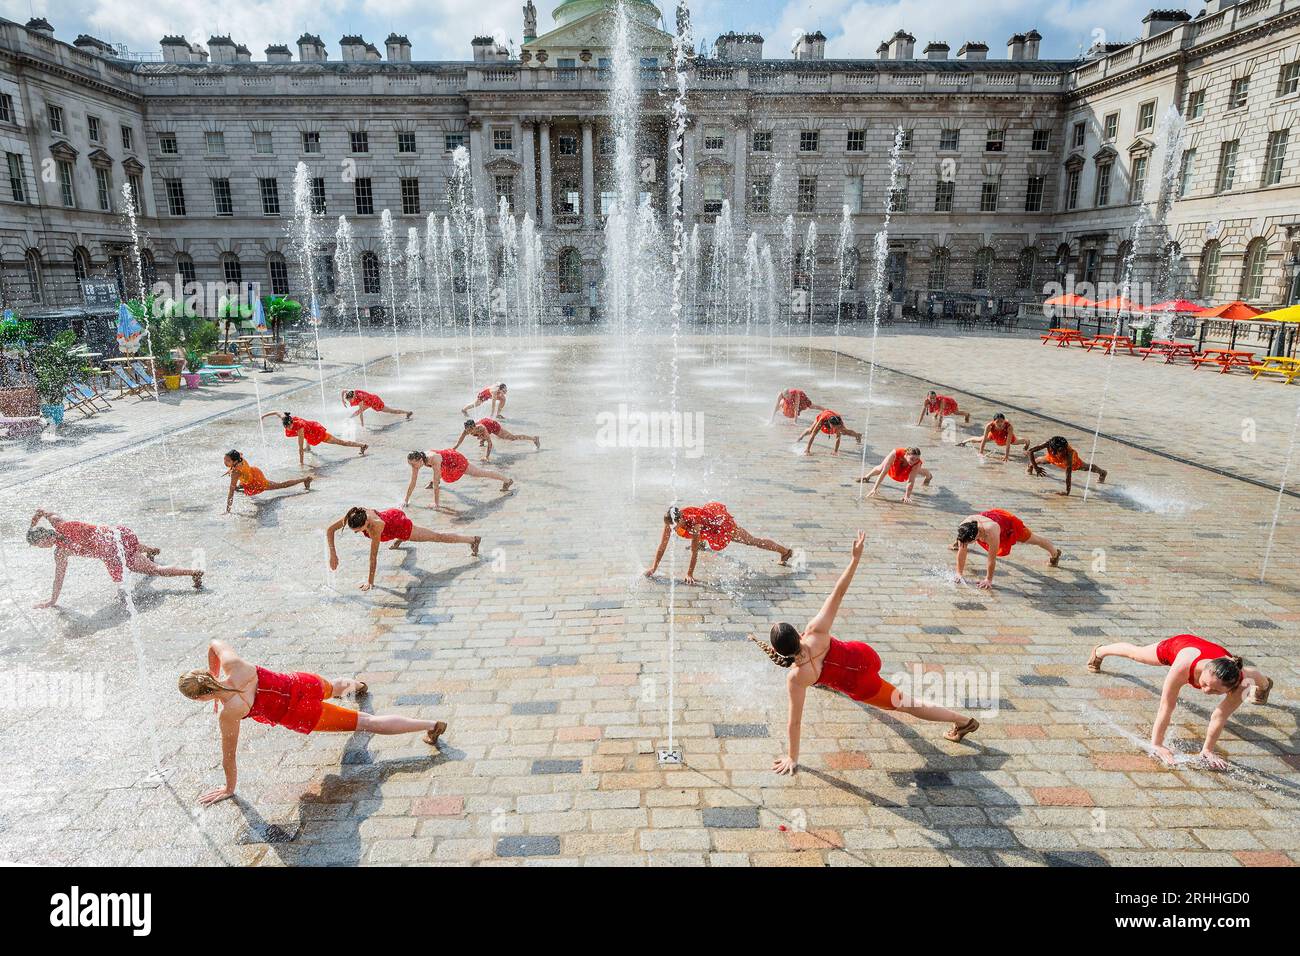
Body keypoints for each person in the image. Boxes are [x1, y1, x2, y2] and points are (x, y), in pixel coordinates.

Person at [751, 531, 979, 775]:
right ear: (798, 634)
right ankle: (824, 681)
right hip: (865, 656)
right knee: (831, 672)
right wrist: (855, 559)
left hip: (862, 685)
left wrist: (792, 757)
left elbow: (794, 722)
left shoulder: (797, 678)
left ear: (779, 651)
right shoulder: (815, 631)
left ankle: (963, 721)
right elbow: (838, 593)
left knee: (908, 705)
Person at [178, 639, 448, 805]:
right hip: (301, 682)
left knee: (368, 723)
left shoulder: (231, 712)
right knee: (335, 686)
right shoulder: (235, 664)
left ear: (201, 698)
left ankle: (430, 724)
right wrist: (214, 675)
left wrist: (228, 788)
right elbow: (214, 643)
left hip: (302, 713)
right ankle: (360, 685)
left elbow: (229, 756)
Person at [1087, 634, 1274, 769]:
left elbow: (1219, 716)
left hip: (1235, 672)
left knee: (1255, 678)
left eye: (1215, 690)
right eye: (1205, 683)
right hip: (1179, 646)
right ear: (1205, 670)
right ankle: (1100, 651)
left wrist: (1207, 750)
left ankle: (1266, 686)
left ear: (1230, 687)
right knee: (1137, 654)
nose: (1205, 690)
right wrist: (1157, 744)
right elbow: (1166, 707)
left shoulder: (1241, 682)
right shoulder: (1182, 667)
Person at [27, 508, 203, 607]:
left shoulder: (61, 542)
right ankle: (151, 551)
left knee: (151, 570)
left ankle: (192, 572)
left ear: (43, 537)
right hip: (116, 535)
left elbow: (59, 577)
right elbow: (42, 511)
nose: (41, 547)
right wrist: (34, 523)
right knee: (130, 549)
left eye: (39, 544)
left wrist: (52, 600)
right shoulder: (59, 536)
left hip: (112, 550)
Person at [325, 506, 480, 591]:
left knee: (436, 537)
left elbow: (373, 557)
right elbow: (329, 530)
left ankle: (472, 539)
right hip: (390, 517)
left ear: (366, 523)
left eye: (359, 530)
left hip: (400, 526)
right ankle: (399, 541)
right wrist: (333, 554)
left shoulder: (375, 527)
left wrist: (370, 582)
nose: (357, 533)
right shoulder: (352, 515)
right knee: (403, 558)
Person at [644, 502, 793, 585]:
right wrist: (654, 567)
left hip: (720, 526)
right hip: (706, 526)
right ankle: (704, 542)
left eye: (674, 526)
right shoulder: (670, 520)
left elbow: (693, 552)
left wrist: (689, 573)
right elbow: (662, 546)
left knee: (751, 541)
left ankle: (784, 551)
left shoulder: (694, 523)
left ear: (681, 519)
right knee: (701, 538)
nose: (672, 529)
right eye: (671, 526)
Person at [952, 509, 1061, 589]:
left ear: (977, 535)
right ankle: (957, 543)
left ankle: (1055, 554)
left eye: (969, 542)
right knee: (961, 544)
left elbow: (991, 559)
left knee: (1034, 540)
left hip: (1008, 525)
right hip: (988, 520)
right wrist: (959, 573)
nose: (966, 544)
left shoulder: (991, 531)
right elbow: (962, 550)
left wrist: (988, 580)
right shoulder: (964, 527)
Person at [404, 449, 513, 511]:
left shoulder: (433, 458)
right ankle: (432, 482)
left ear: (419, 460)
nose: (412, 467)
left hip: (455, 461)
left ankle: (507, 480)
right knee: (438, 476)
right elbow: (413, 482)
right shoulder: (417, 464)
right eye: (410, 464)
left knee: (479, 473)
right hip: (445, 463)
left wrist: (436, 503)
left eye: (413, 464)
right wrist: (406, 500)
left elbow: (437, 483)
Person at [262, 411, 368, 466]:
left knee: (340, 442)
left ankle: (362, 445)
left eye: (289, 427)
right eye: (286, 427)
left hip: (317, 433)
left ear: (292, 423)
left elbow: (300, 448)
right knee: (307, 436)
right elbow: (276, 412)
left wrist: (301, 463)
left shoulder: (299, 428)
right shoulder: (285, 418)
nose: (288, 428)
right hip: (310, 429)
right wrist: (263, 416)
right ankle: (308, 448)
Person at [222, 449, 312, 513]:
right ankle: (240, 486)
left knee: (280, 485)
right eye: (224, 459)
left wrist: (228, 510)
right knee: (238, 488)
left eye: (228, 461)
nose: (225, 462)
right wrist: (231, 468)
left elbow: (231, 492)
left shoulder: (236, 473)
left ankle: (305, 479)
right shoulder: (239, 457)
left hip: (257, 482)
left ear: (235, 461)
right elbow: (240, 454)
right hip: (254, 472)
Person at [1027, 435, 1107, 496]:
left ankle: (1102, 472)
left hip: (1071, 462)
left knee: (1085, 467)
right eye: (1055, 450)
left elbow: (1068, 474)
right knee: (1039, 460)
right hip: (1052, 458)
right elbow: (1030, 451)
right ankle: (1031, 466)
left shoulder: (1069, 455)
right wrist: (1036, 468)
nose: (1055, 453)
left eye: (1059, 451)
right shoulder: (1048, 443)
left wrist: (1067, 491)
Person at [857, 446, 932, 502]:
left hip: (913, 468)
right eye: (912, 459)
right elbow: (884, 472)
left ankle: (928, 476)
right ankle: (867, 477)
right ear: (906, 455)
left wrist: (907, 496)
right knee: (881, 468)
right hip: (897, 459)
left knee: (918, 470)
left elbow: (911, 481)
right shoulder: (896, 453)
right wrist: (874, 488)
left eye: (917, 459)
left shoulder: (916, 463)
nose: (914, 461)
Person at [453, 418, 539, 461]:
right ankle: (482, 440)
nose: (467, 432)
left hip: (492, 425)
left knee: (512, 438)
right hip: (484, 424)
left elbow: (490, 443)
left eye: (469, 430)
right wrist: (454, 448)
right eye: (466, 430)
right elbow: (460, 440)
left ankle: (534, 438)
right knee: (482, 437)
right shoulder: (467, 430)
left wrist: (486, 457)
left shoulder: (482, 429)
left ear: (473, 427)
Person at [958, 413, 1030, 461]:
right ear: (994, 421)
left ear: (1004, 421)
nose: (999, 424)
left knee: (1015, 442)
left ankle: (1026, 441)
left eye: (1001, 421)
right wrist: (981, 453)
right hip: (993, 434)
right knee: (980, 439)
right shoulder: (989, 426)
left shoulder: (1009, 427)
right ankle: (964, 442)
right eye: (997, 422)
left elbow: (1008, 443)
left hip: (1006, 436)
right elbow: (984, 440)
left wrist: (1006, 456)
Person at [797, 409, 862, 456]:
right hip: (824, 415)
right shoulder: (822, 420)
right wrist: (807, 449)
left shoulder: (839, 424)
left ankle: (857, 435)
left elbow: (838, 438)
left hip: (835, 416)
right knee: (811, 430)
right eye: (834, 427)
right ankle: (801, 436)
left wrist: (835, 451)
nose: (835, 428)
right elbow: (813, 434)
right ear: (830, 423)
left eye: (837, 427)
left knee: (844, 432)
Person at [341, 388, 413, 427]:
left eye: (349, 400)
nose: (349, 401)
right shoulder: (351, 392)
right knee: (357, 412)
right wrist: (343, 401)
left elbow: (361, 413)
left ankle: (407, 412)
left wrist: (362, 424)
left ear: (352, 397)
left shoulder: (360, 398)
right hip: (369, 401)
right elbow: (343, 391)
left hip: (375, 402)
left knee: (391, 411)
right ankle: (348, 419)